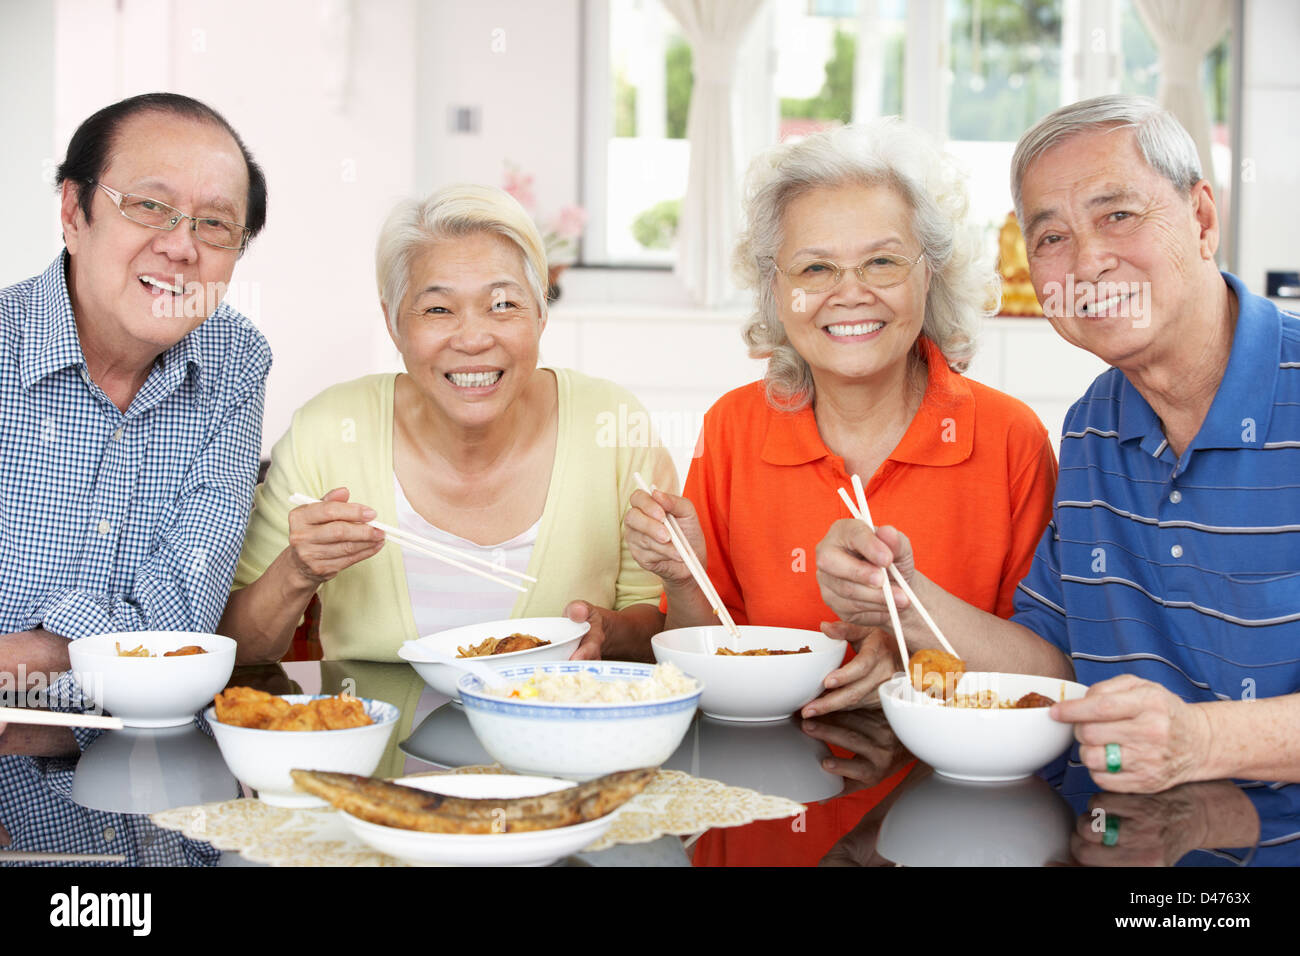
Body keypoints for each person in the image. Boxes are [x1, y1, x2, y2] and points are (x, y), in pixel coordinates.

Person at [816, 95, 1300, 794]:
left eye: (1118, 216)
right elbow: (1053, 665)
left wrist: (1204, 742)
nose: (1089, 262)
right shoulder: (1093, 426)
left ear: (1201, 219)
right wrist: (900, 596)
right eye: (1051, 238)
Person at [623, 120, 1058, 864]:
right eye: (814, 269)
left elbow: (1050, 676)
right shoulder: (733, 427)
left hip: (964, 825)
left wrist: (913, 644)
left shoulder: (1011, 438)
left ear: (932, 273)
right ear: (777, 290)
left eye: (882, 261)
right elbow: (703, 650)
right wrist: (677, 571)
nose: (847, 295)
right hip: (751, 813)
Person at [221, 184, 676, 663]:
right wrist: (297, 572)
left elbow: (661, 628)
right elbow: (240, 649)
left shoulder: (612, 424)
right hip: (377, 735)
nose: (474, 338)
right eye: (438, 308)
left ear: (541, 312)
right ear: (394, 322)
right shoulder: (327, 431)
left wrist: (608, 632)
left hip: (555, 733)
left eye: (503, 304)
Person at [0, 92, 270, 693]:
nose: (181, 246)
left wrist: (26, 656)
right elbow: (151, 655)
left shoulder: (235, 360)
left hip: (149, 772)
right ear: (74, 212)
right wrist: (115, 652)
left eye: (216, 224)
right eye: (151, 206)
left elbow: (179, 633)